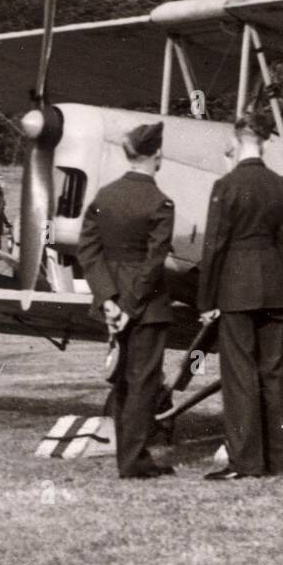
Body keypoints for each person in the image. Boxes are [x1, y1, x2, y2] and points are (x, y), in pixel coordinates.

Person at [197, 109, 283, 480]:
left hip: (236, 288)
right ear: (265, 141)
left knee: (240, 375)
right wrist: (278, 281)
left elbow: (214, 246)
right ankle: (276, 458)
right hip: (274, 285)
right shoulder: (280, 185)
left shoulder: (225, 186)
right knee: (272, 372)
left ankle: (246, 462)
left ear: (236, 141)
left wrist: (206, 299)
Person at [76, 123, 176, 479]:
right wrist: (130, 308)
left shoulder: (103, 196)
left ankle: (129, 456)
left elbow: (88, 250)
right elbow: (153, 264)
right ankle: (133, 461)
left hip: (113, 302)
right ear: (157, 155)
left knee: (122, 380)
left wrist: (108, 301)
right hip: (145, 308)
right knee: (143, 381)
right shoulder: (161, 203)